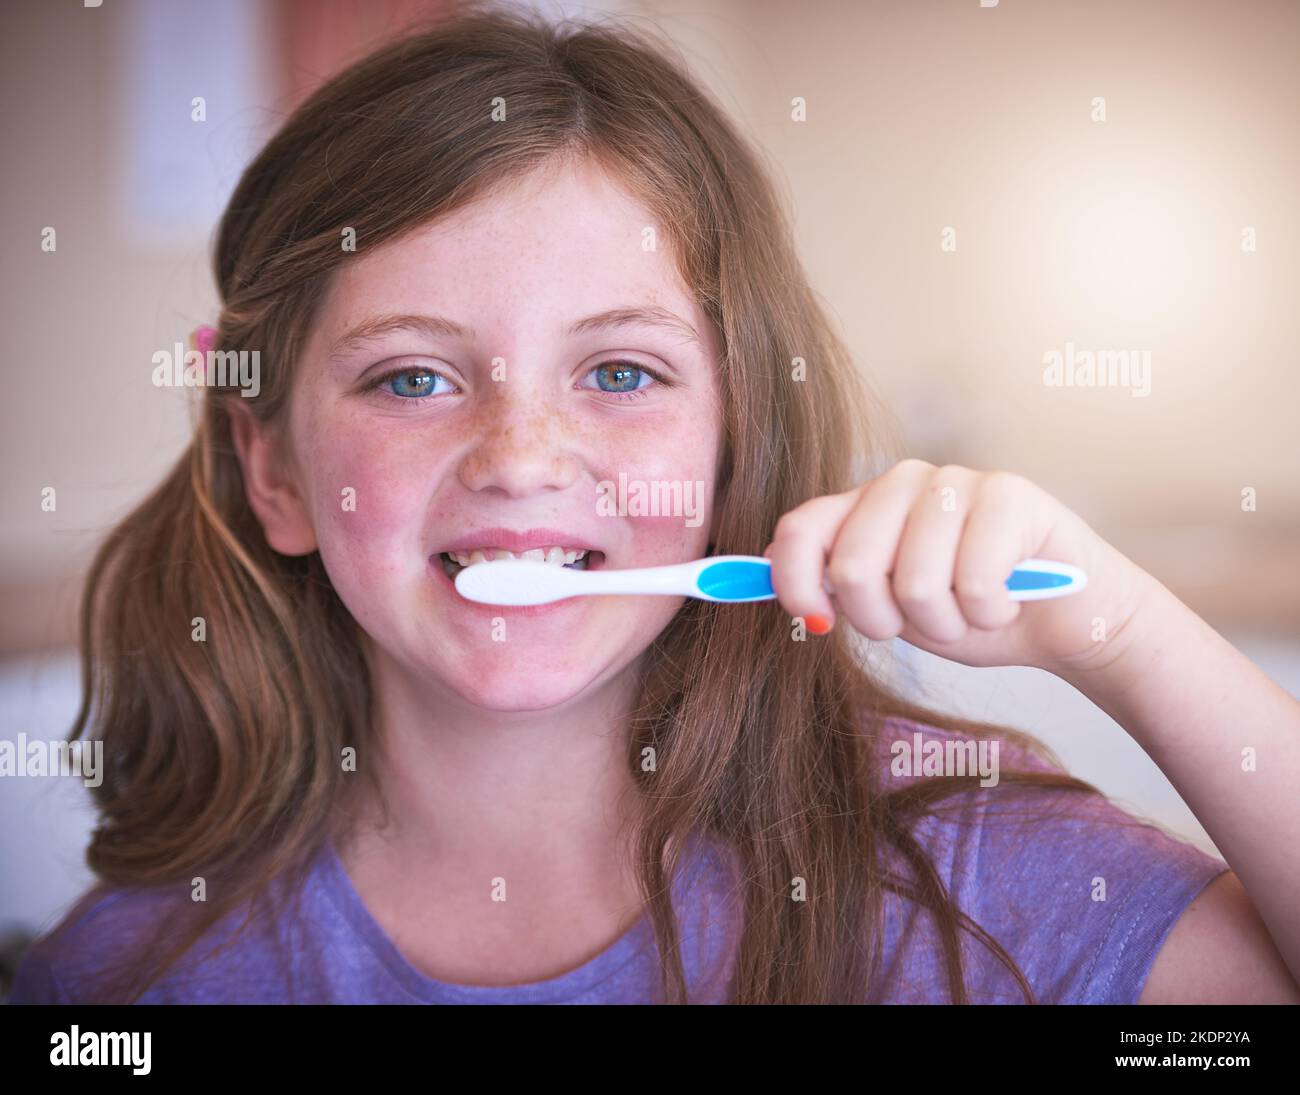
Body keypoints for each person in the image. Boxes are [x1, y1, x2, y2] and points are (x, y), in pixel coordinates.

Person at [10, 2, 1298, 1005]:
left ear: (738, 440)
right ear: (273, 469)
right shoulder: (137, 976)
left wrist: (1123, 637)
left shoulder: (971, 889)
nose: (520, 454)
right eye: (412, 376)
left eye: (620, 371)